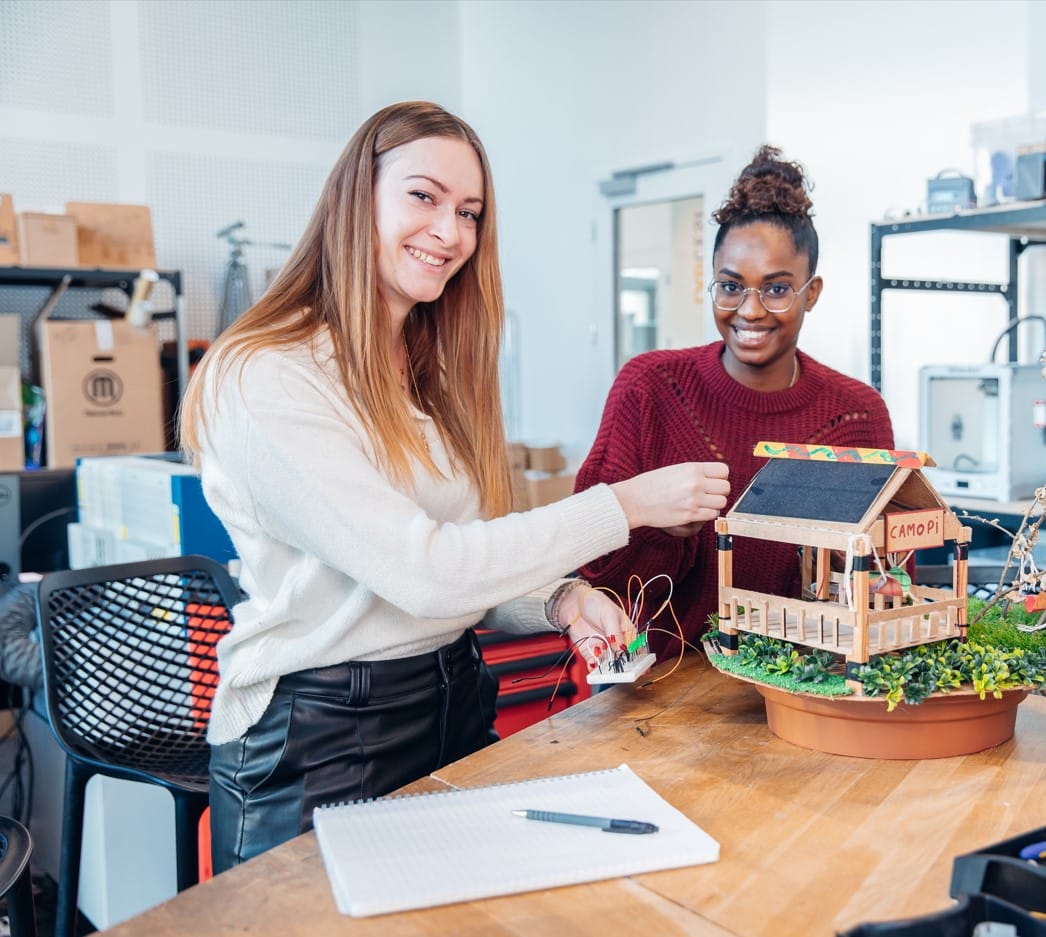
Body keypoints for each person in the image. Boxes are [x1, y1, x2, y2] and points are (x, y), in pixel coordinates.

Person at [180, 101, 730, 871]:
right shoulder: (267, 375)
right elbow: (423, 569)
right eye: (424, 196)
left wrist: (561, 598)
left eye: (469, 212)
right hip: (320, 738)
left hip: (452, 696)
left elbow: (463, 569)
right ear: (355, 197)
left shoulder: (427, 380)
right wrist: (627, 504)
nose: (451, 232)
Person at [575, 145, 895, 660]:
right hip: (663, 690)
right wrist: (663, 532)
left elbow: (886, 577)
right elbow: (595, 576)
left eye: (777, 289)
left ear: (811, 293)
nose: (750, 311)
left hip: (807, 688)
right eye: (731, 286)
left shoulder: (855, 415)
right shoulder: (650, 388)